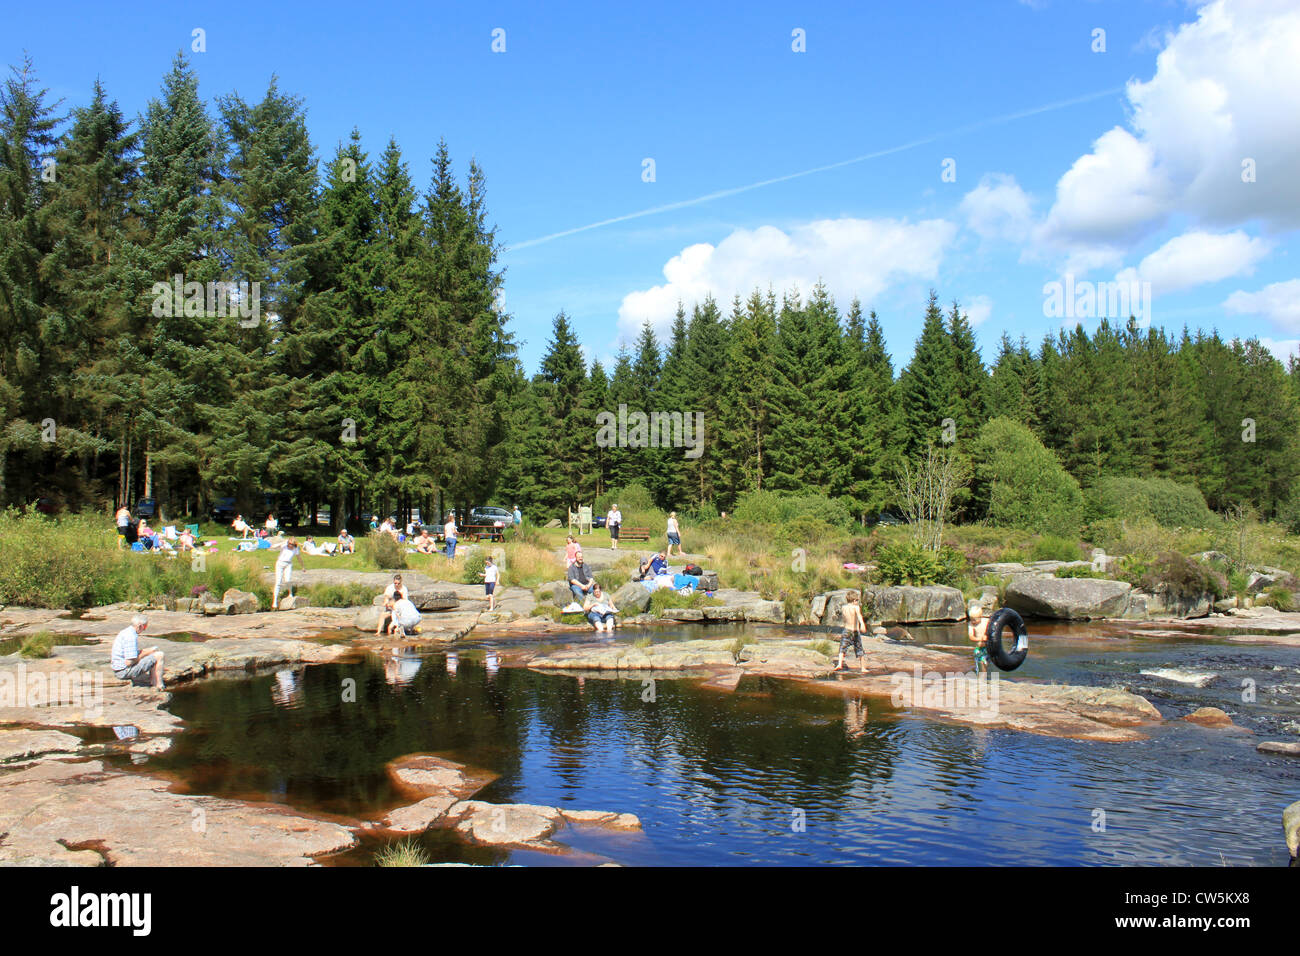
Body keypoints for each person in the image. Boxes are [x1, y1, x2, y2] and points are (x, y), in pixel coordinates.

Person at [111, 614, 164, 689]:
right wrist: (145, 653)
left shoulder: (126, 631)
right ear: (140, 626)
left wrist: (147, 651)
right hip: (123, 671)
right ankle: (158, 685)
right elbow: (129, 662)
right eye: (145, 627)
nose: (145, 629)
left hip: (119, 668)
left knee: (151, 653)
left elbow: (132, 654)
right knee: (159, 655)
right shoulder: (130, 637)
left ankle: (153, 681)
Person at [834, 592, 868, 673]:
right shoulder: (856, 607)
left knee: (842, 647)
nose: (857, 602)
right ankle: (863, 668)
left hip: (846, 630)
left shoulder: (844, 607)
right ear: (854, 600)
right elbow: (859, 616)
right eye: (857, 600)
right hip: (855, 631)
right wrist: (862, 625)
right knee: (859, 649)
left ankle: (839, 664)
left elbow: (844, 618)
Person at [271, 536, 304, 610]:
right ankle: (274, 601)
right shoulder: (284, 546)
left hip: (288, 564)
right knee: (278, 582)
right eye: (289, 543)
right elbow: (273, 546)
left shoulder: (295, 549)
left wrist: (303, 566)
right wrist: (282, 543)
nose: (290, 545)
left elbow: (299, 558)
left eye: (292, 544)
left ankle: (290, 593)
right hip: (280, 564)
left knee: (287, 580)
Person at [968, 602, 990, 674]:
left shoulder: (986, 621)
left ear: (980, 617)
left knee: (985, 665)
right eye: (971, 619)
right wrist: (980, 638)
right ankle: (980, 676)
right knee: (979, 664)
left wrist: (987, 636)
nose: (973, 621)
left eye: (974, 619)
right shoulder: (971, 625)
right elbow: (971, 637)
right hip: (979, 649)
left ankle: (984, 676)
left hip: (987, 647)